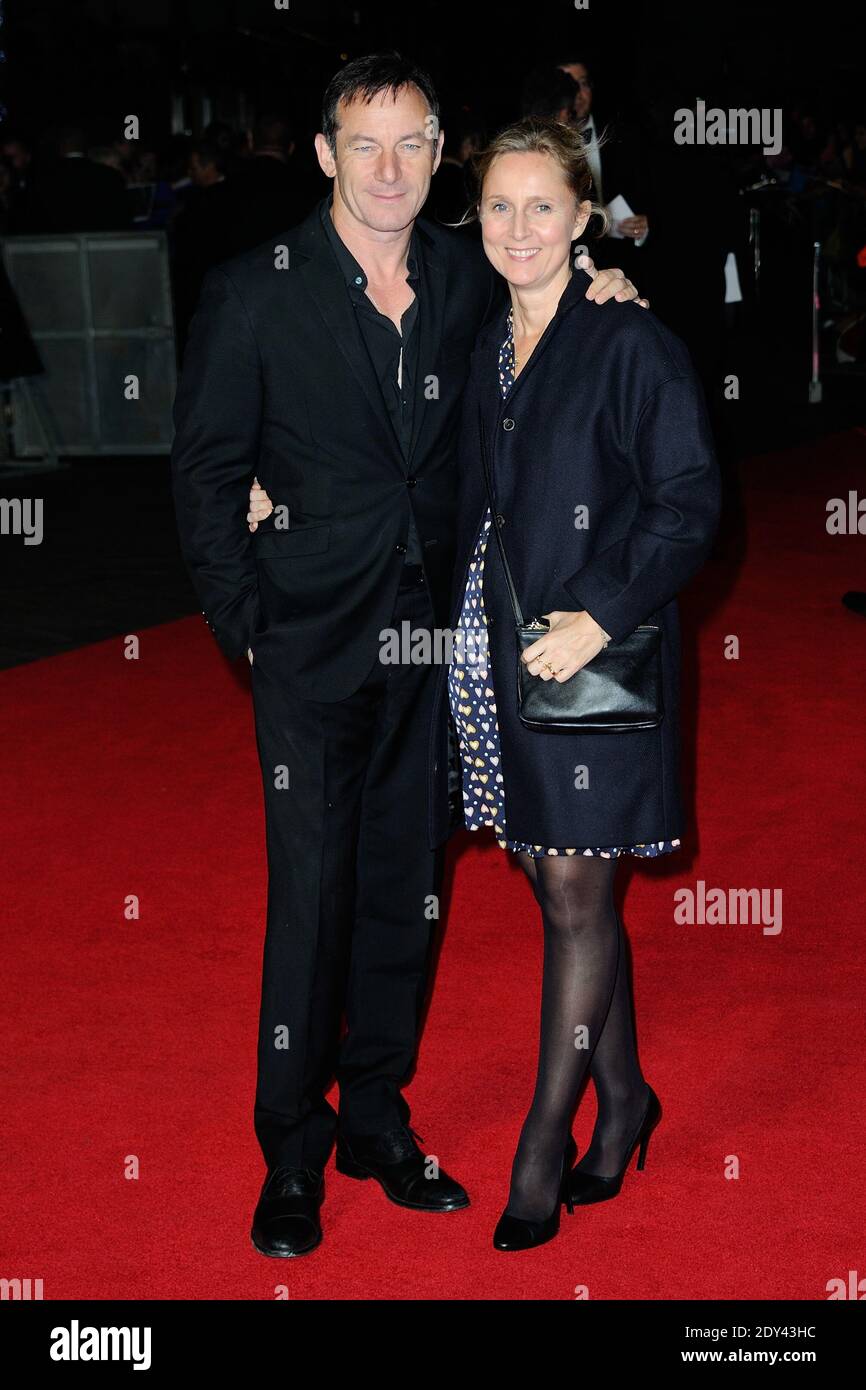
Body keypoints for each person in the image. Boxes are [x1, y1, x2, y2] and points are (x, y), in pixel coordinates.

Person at [173, 53, 645, 1260]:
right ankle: (291, 1151)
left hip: (442, 646)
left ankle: (376, 1123)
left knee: (404, 897)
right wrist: (251, 629)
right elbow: (207, 479)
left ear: (441, 155)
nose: (389, 170)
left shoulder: (465, 271)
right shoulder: (252, 290)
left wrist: (603, 281)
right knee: (310, 904)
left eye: (413, 144)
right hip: (309, 648)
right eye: (363, 144)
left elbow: (548, 287)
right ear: (324, 154)